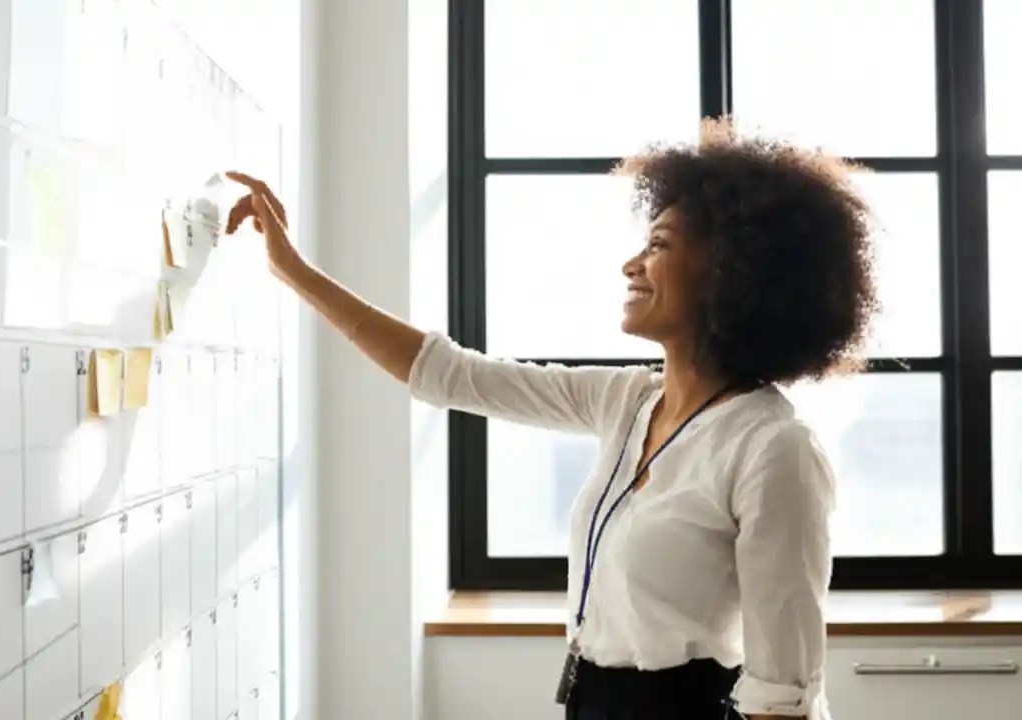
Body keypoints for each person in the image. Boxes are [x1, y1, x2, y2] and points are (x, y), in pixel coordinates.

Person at [225, 117, 876, 720]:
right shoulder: (626, 401)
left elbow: (784, 687)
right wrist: (291, 270)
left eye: (658, 245)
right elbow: (447, 374)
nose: (631, 264)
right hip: (592, 699)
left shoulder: (773, 446)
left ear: (733, 273)